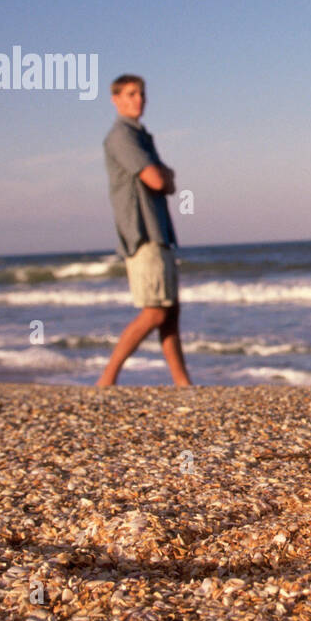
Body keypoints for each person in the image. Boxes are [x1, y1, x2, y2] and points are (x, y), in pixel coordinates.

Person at [96, 74, 192, 387]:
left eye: (142, 94)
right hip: (143, 234)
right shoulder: (122, 136)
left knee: (170, 311)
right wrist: (165, 174)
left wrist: (166, 176)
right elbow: (160, 180)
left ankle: (182, 383)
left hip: (159, 232)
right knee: (154, 313)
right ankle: (107, 379)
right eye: (131, 94)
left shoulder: (141, 136)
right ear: (116, 99)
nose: (139, 100)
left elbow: (169, 182)